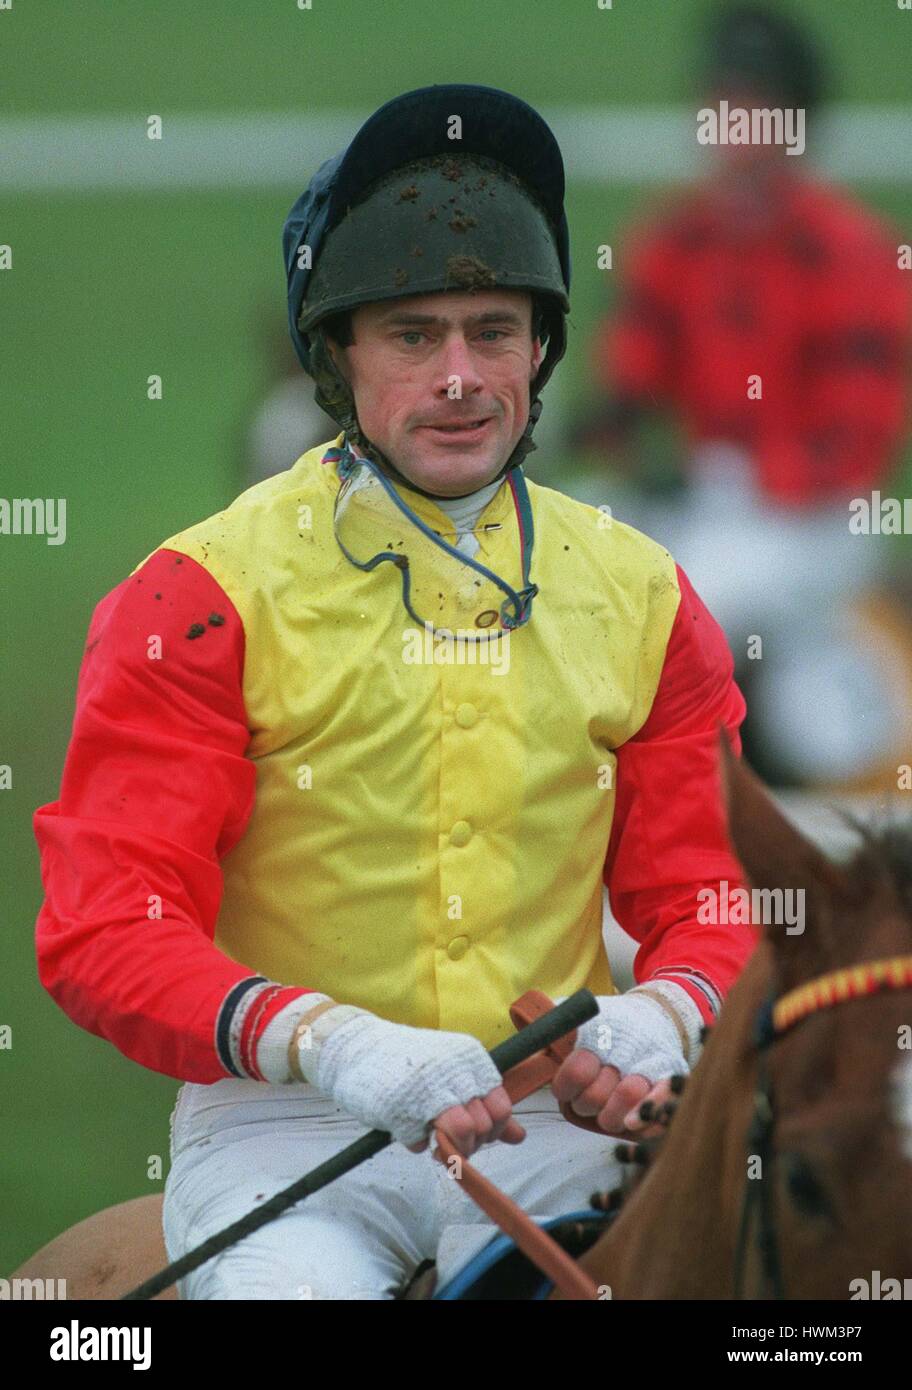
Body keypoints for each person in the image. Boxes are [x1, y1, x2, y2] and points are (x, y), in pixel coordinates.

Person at [33, 84, 755, 1300]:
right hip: (287, 1128)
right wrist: (329, 1039)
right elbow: (107, 926)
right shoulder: (194, 598)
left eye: (493, 329)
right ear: (338, 356)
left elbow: (716, 895)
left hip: (559, 1130)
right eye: (414, 336)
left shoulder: (649, 596)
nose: (462, 377)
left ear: (543, 348)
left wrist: (666, 1013)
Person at [576, 4, 912, 785]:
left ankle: (658, 796)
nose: (732, 124)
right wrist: (618, 432)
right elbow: (629, 375)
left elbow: (852, 449)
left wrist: (724, 480)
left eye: (754, 105)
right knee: (567, 549)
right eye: (721, 102)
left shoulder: (854, 254)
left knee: (689, 604)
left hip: (815, 519)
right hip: (709, 499)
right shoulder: (672, 238)